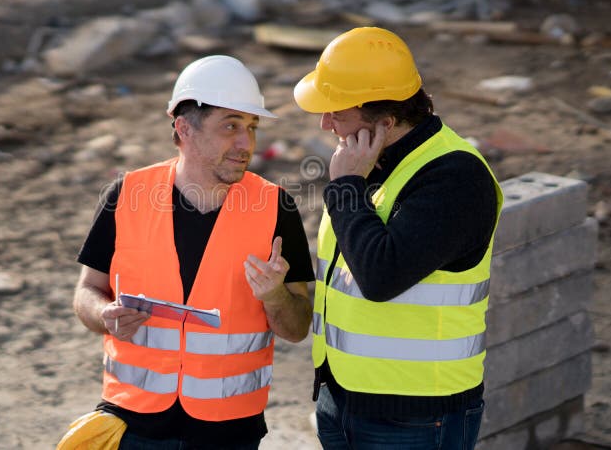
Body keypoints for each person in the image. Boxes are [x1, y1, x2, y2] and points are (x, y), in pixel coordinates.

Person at [71, 55, 314, 449]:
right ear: (184, 128)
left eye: (251, 128)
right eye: (230, 126)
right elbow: (87, 291)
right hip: (134, 425)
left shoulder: (276, 207)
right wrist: (103, 314)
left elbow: (297, 327)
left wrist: (275, 296)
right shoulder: (127, 195)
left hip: (229, 432)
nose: (245, 143)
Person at [292, 27, 503, 450]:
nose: (325, 123)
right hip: (344, 399)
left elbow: (381, 276)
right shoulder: (374, 158)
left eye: (338, 113)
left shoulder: (455, 177)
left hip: (417, 418)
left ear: (386, 121)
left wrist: (347, 186)